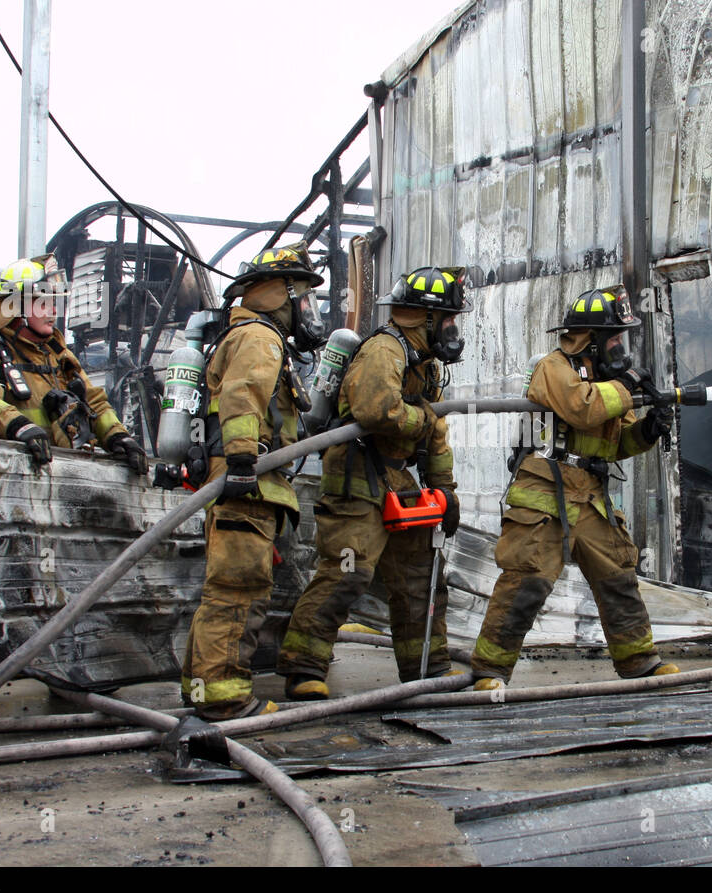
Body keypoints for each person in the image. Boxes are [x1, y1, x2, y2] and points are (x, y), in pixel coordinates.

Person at [0, 254, 147, 694]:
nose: (51, 309)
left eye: (54, 300)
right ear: (16, 306)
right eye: (41, 301)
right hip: (1, 496)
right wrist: (16, 424)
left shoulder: (59, 354)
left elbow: (92, 401)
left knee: (63, 584)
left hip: (53, 496)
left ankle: (67, 675)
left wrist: (118, 437)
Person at [468, 287, 679, 691]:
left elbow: (619, 442)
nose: (621, 346)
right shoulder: (554, 367)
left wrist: (649, 430)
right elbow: (582, 409)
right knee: (527, 580)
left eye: (623, 338)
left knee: (618, 575)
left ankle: (639, 660)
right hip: (545, 493)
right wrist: (629, 383)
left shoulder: (607, 380)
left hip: (591, 497)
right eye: (615, 338)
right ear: (592, 338)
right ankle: (489, 670)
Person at [277, 266, 467, 701]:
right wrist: (423, 417)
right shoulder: (385, 350)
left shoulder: (425, 364)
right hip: (357, 476)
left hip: (399, 480)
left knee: (421, 577)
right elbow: (377, 410)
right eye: (450, 319)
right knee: (348, 572)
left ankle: (428, 669)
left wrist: (446, 488)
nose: (454, 329)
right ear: (425, 317)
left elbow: (435, 434)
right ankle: (303, 668)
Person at [179, 244, 326, 720]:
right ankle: (223, 699)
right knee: (238, 588)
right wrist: (244, 460)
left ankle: (202, 689)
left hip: (251, 478)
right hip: (247, 479)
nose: (309, 310)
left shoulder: (250, 334)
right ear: (277, 295)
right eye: (303, 297)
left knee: (230, 586)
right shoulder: (260, 337)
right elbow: (243, 397)